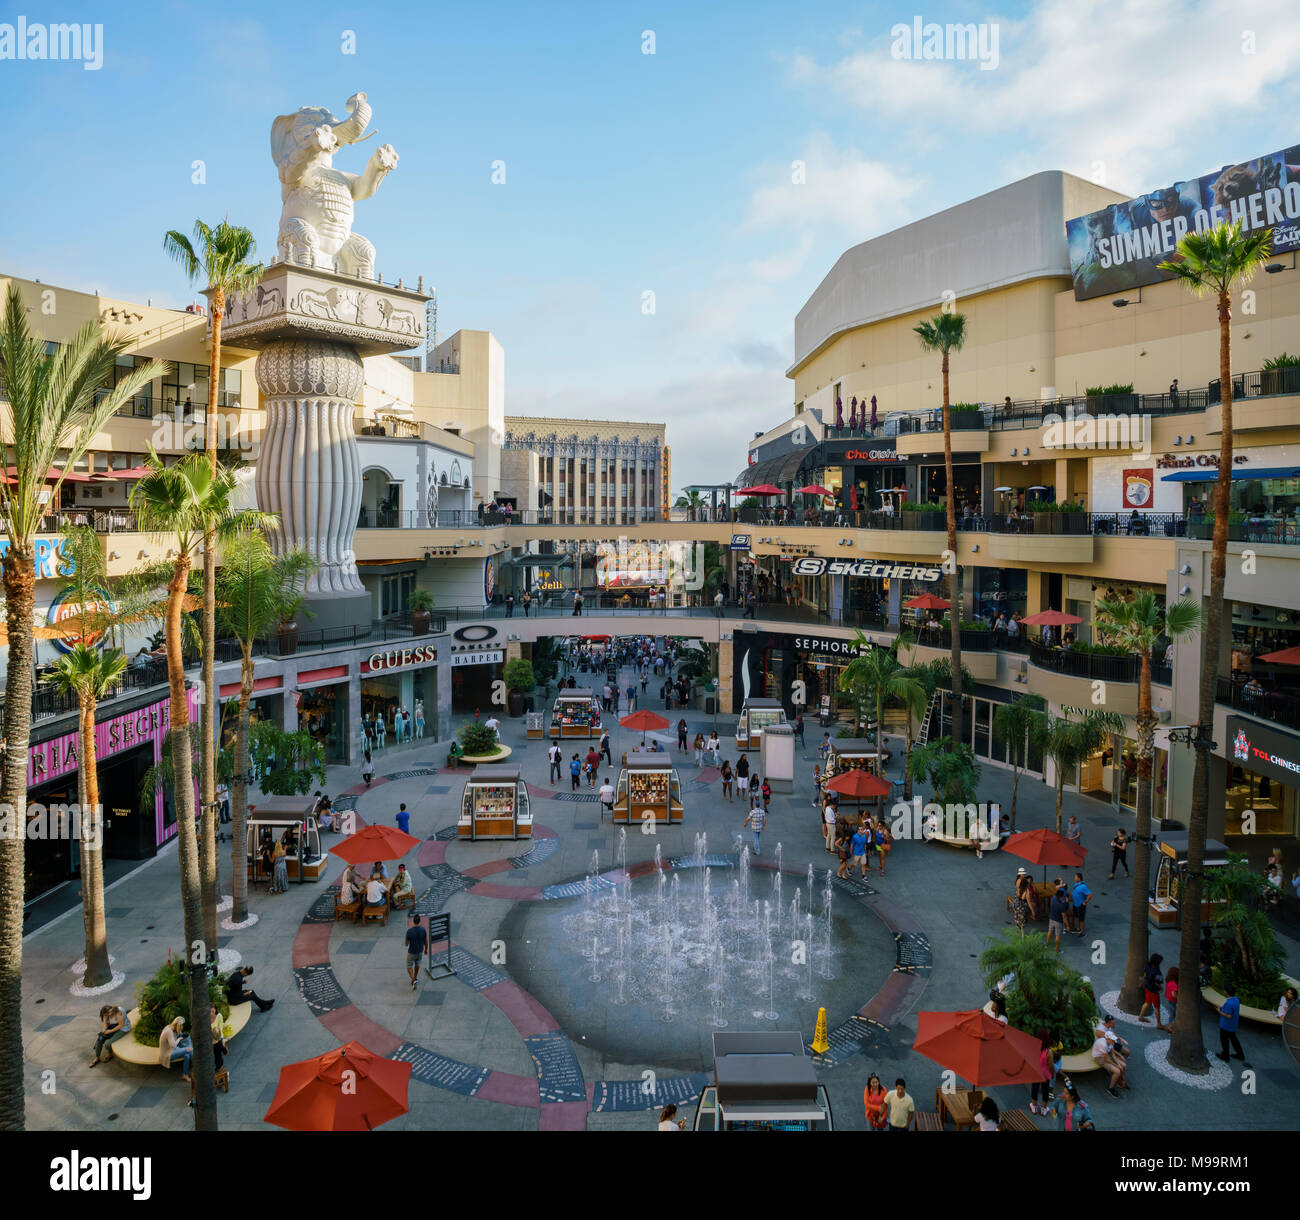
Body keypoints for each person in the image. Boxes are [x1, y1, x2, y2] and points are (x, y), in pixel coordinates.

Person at [1090, 1026, 1126, 1097]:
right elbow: (1106, 1059)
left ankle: (1120, 1082)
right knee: (1117, 1071)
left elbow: (1112, 1053)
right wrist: (1116, 1065)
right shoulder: (1103, 1044)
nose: (1114, 1041)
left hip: (1106, 1056)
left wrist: (1118, 1063)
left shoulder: (1110, 1042)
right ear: (1107, 1038)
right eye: (1112, 1040)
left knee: (1123, 1065)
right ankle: (1110, 1089)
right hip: (1099, 1058)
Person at [1139, 954, 1170, 1030]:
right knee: (1157, 1007)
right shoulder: (1157, 972)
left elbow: (1145, 975)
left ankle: (1141, 1016)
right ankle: (1159, 1024)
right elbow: (1157, 983)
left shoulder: (1147, 966)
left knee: (1147, 1002)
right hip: (1153, 990)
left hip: (1147, 987)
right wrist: (1161, 988)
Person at [1215, 984, 1244, 1062]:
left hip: (1226, 1026)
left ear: (1226, 992)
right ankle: (1240, 1054)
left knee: (1224, 1040)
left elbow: (1228, 1016)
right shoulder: (1236, 1000)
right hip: (1233, 1025)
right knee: (1234, 1040)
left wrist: (1219, 1011)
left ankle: (1225, 1055)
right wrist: (1223, 1008)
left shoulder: (1229, 1003)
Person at [158, 1016, 192, 1081]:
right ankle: (198, 1068)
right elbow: (173, 1045)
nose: (183, 1027)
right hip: (167, 1054)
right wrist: (179, 1039)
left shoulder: (171, 1027)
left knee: (187, 1055)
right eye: (182, 1026)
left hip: (173, 1050)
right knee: (189, 1049)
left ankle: (185, 1074)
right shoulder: (169, 1031)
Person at [1028, 1028, 1053, 1115]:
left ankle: (1034, 1107)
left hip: (1036, 1073)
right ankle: (1044, 1109)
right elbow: (1051, 1065)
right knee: (1045, 1090)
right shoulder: (1049, 1052)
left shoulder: (1034, 1048)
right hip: (1045, 1074)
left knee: (1035, 1089)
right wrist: (1052, 1074)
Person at [405, 913, 428, 991]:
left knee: (409, 966)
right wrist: (426, 949)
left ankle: (413, 979)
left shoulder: (409, 931)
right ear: (419, 921)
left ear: (413, 921)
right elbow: (426, 941)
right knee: (417, 964)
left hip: (411, 952)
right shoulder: (423, 930)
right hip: (420, 951)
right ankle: (415, 977)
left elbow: (406, 944)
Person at [1046, 885, 1069, 952]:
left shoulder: (1053, 898)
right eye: (1063, 897)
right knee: (1057, 936)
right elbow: (1064, 917)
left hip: (1051, 918)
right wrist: (1067, 926)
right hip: (1058, 921)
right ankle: (1057, 950)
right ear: (1061, 897)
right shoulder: (1061, 906)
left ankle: (1047, 945)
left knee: (1049, 932)